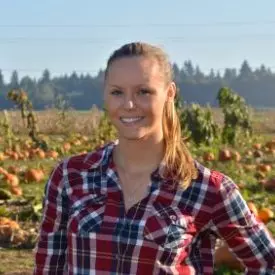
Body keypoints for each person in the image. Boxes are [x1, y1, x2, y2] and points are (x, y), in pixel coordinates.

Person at [33, 42, 275, 275]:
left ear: (169, 94)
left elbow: (268, 263)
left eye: (143, 92)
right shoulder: (70, 176)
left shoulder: (207, 189)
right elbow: (48, 268)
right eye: (117, 92)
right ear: (105, 95)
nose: (128, 104)